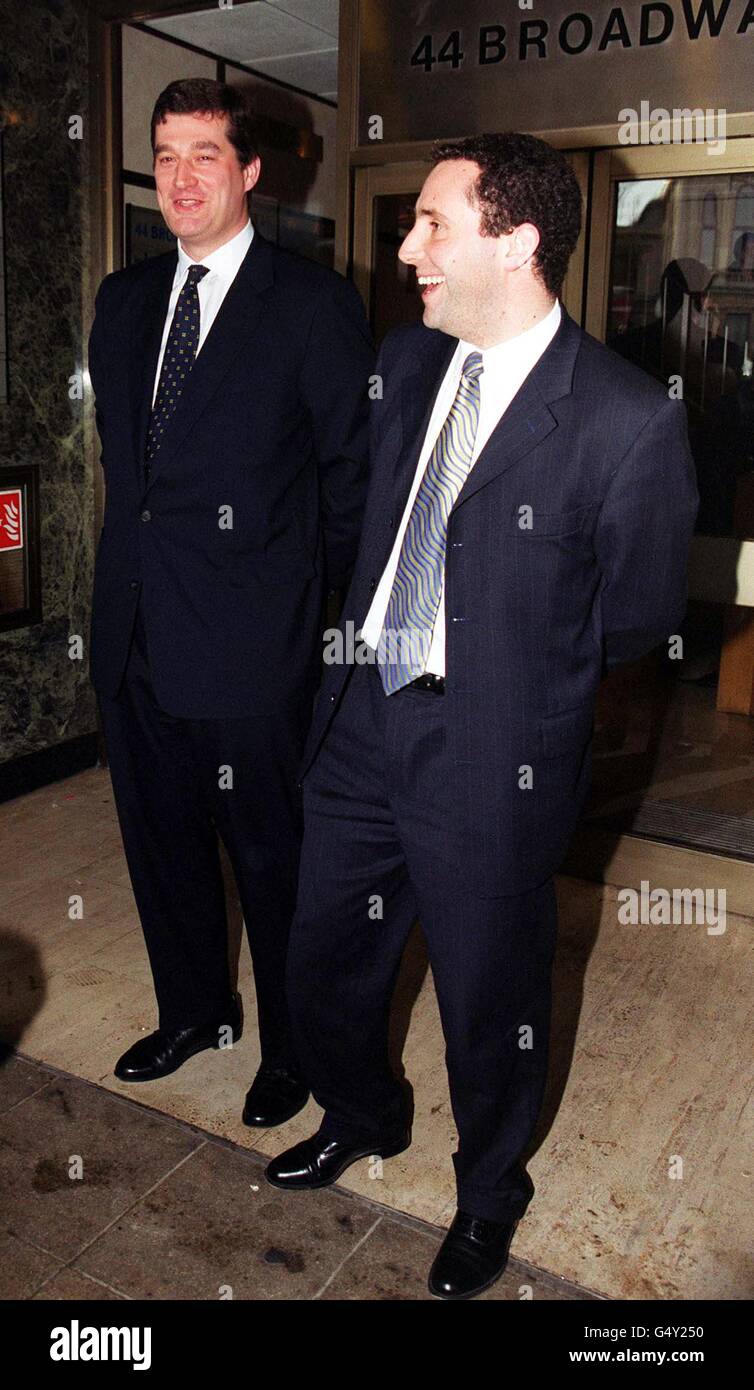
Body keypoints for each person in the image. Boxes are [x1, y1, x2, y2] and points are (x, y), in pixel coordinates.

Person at [266, 133, 699, 1299]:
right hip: (364, 718)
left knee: (488, 999)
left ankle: (487, 1191)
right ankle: (363, 1111)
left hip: (493, 754)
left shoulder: (623, 420)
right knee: (325, 954)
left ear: (514, 243)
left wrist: (514, 686)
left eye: (432, 225)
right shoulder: (408, 366)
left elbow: (636, 618)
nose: (406, 248)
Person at [87, 79, 373, 1130]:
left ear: (251, 171)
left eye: (205, 153)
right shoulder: (121, 305)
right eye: (165, 155)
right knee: (159, 845)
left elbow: (354, 485)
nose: (180, 176)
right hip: (136, 635)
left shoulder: (310, 306)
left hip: (259, 651)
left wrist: (319, 628)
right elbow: (136, 481)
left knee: (273, 862)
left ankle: (294, 1048)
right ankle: (195, 1012)